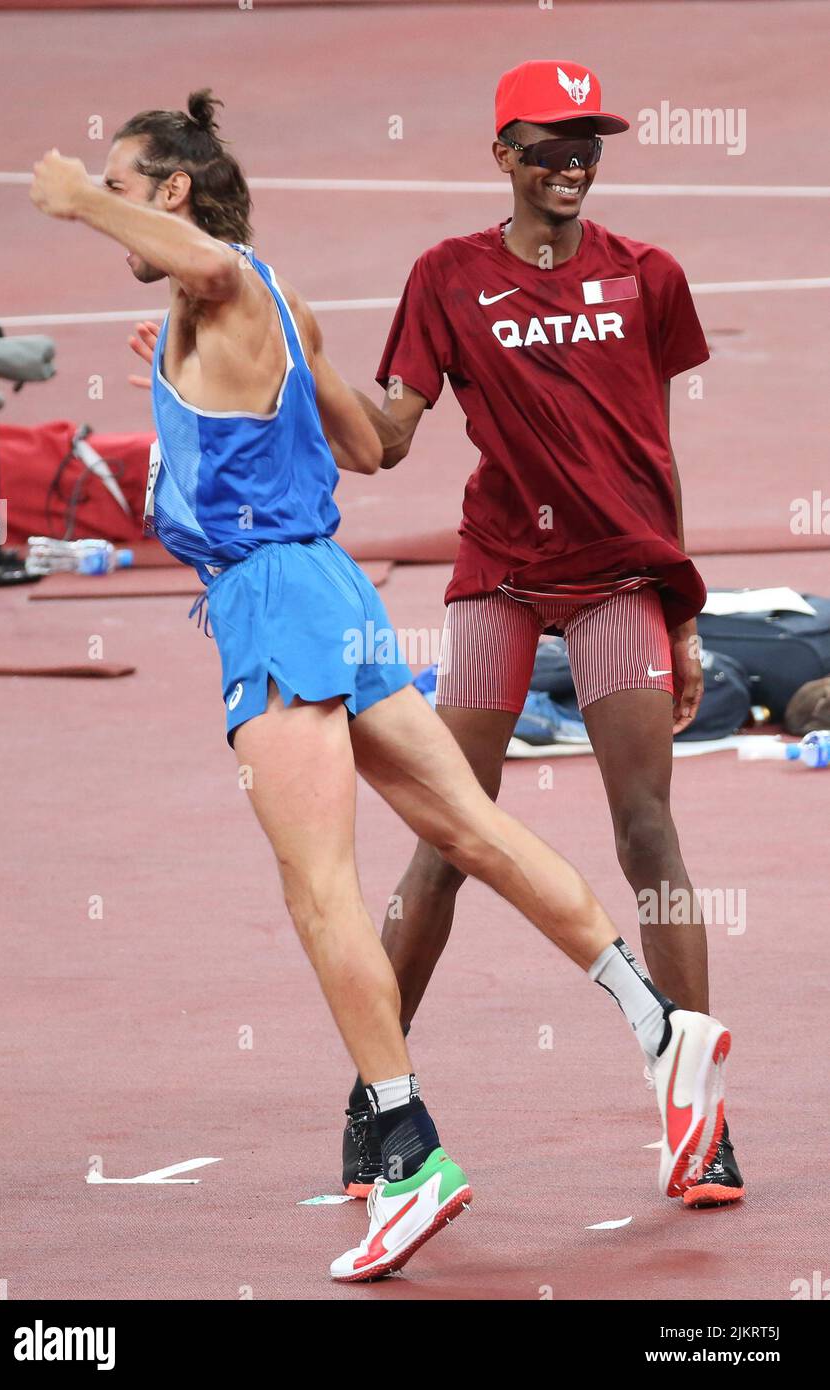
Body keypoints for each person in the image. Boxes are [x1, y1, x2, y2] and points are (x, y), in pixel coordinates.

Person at [30, 89, 732, 1284]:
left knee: (319, 891)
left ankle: (406, 1150)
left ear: (171, 193)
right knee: (470, 827)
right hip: (337, 593)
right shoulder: (276, 304)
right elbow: (368, 443)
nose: (109, 191)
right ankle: (659, 1026)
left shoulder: (226, 281)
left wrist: (76, 201)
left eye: (125, 178)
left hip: (274, 605)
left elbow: (200, 266)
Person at [340, 60, 744, 1208]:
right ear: (502, 152)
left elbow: (654, 450)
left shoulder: (646, 276)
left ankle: (698, 1115)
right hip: (502, 575)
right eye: (548, 143)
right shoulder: (446, 277)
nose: (571, 162)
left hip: (620, 575)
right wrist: (296, 373)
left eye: (588, 143)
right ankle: (379, 1108)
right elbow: (391, 435)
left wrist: (679, 603)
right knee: (451, 832)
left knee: (646, 830)